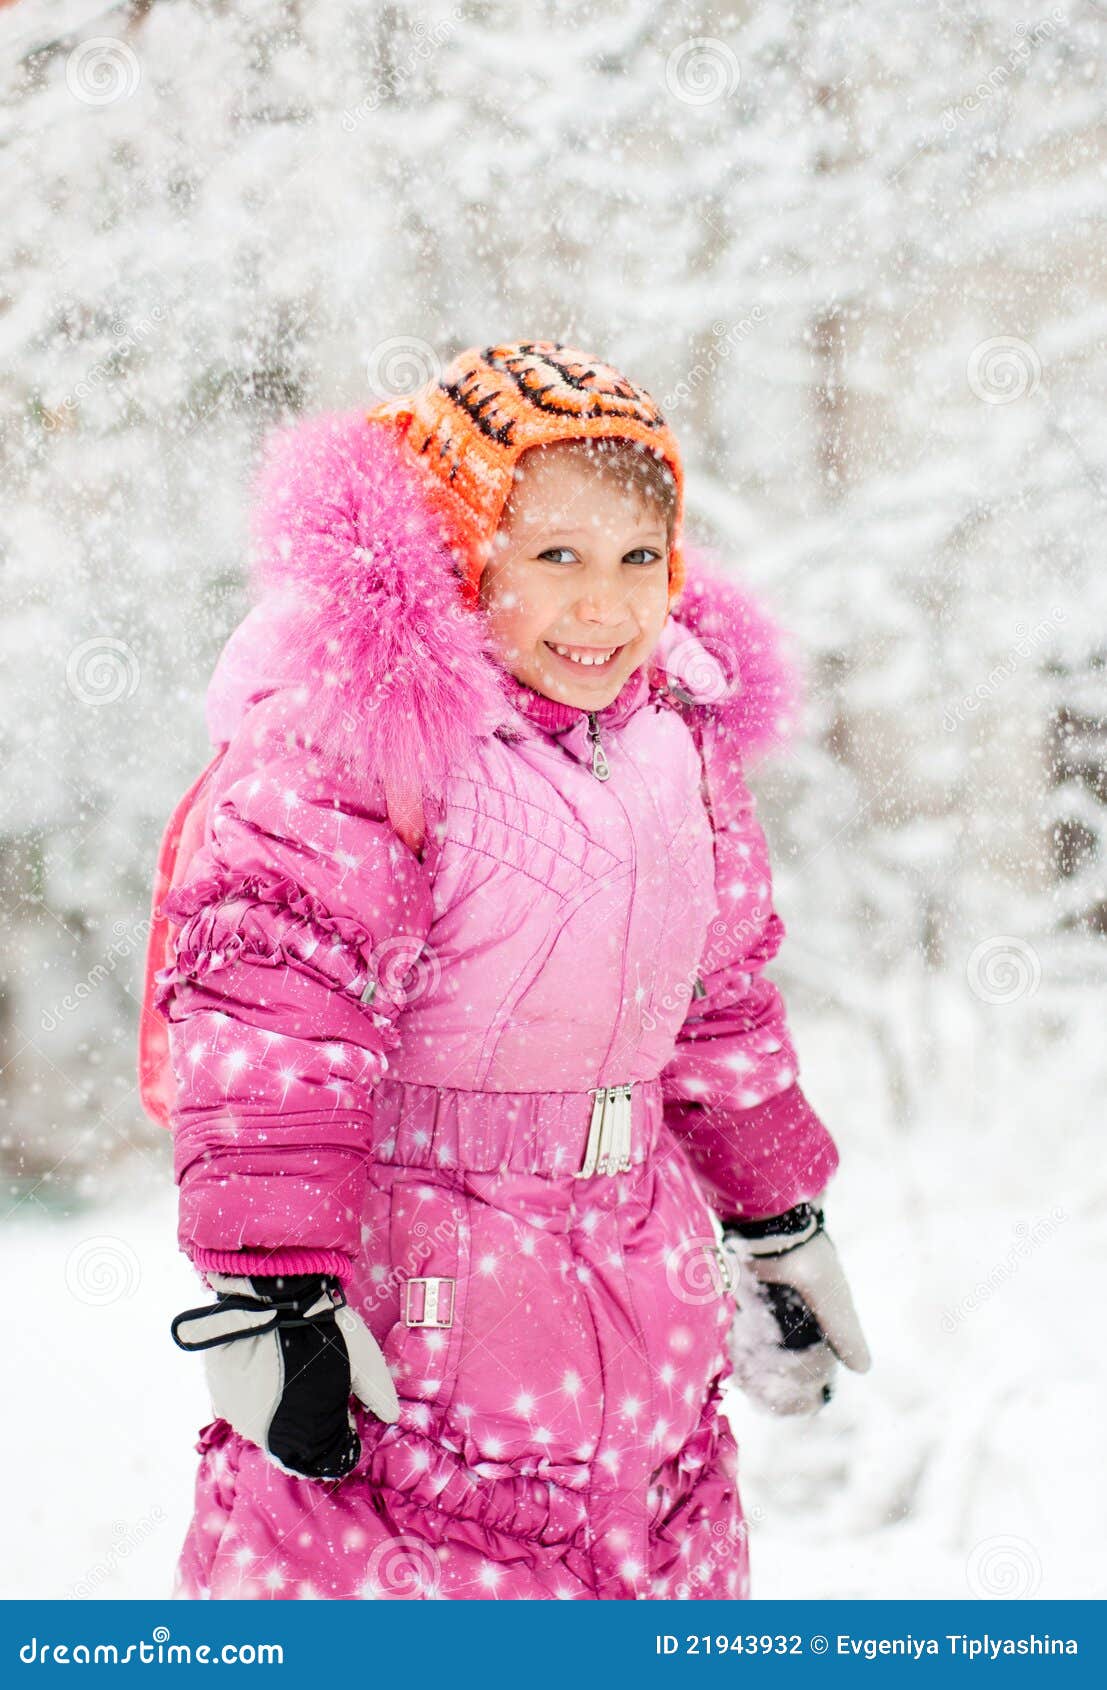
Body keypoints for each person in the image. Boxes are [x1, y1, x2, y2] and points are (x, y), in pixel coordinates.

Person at [150, 340, 871, 1601]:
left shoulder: (678, 739)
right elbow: (272, 1009)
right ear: (462, 549)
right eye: (557, 558)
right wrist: (271, 1297)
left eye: (638, 559)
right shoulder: (368, 735)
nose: (605, 605)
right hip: (421, 1309)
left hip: (644, 1296)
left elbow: (721, 1006)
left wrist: (775, 1218)